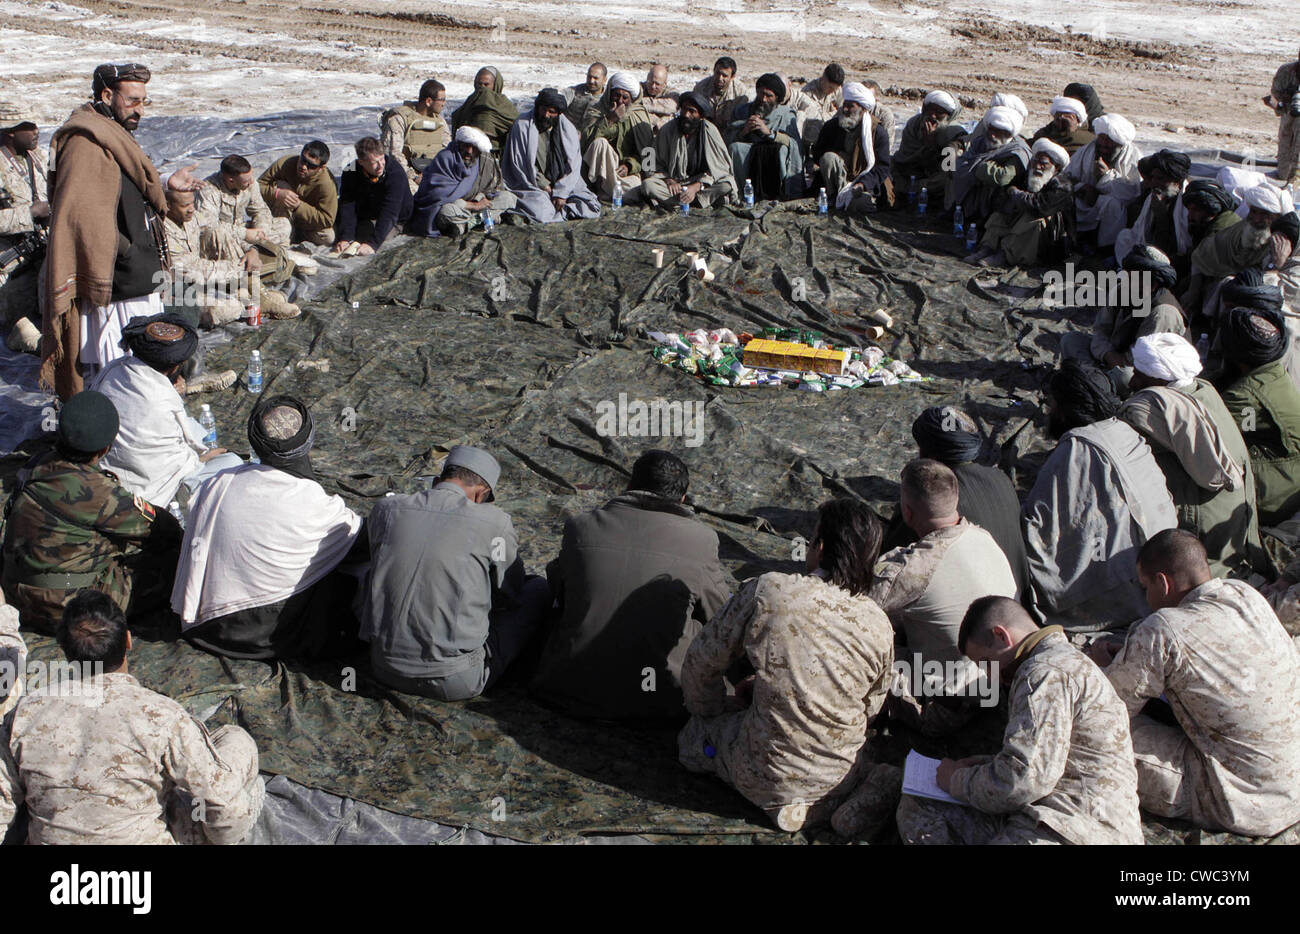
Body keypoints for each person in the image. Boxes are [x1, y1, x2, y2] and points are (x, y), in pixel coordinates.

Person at [677, 499, 897, 834]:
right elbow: (870, 708)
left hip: (762, 770)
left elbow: (700, 665)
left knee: (693, 741)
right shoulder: (879, 622)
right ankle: (838, 805)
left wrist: (712, 711)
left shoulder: (770, 589)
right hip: (837, 771)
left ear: (820, 547)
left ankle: (783, 800)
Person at [0, 590, 263, 844]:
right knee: (235, 739)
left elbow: (3, 807)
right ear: (128, 640)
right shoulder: (162, 715)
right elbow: (225, 809)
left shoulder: (25, 712)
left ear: (64, 649)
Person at [1093, 530, 1300, 837]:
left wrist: (1101, 664)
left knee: (1090, 734)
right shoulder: (1245, 595)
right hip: (1292, 785)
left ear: (1164, 583)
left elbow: (1109, 710)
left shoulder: (1163, 629)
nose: (1146, 596)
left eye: (1146, 586)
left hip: (1243, 801)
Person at [896, 595, 1142, 845]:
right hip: (1080, 820)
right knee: (920, 803)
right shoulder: (1061, 661)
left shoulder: (1043, 674)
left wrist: (956, 780)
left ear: (1002, 636)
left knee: (923, 808)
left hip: (1071, 828)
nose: (988, 674)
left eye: (986, 662)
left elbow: (1024, 779)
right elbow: (1052, 757)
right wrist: (985, 766)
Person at [531, 450, 734, 721]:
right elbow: (721, 615)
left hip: (566, 687)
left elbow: (559, 588)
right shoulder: (702, 539)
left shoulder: (581, 526)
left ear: (629, 486)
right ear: (683, 499)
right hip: (660, 702)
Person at [41, 63, 201, 400]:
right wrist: (124, 250)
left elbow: (122, 191)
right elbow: (76, 214)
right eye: (132, 101)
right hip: (114, 279)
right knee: (115, 362)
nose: (140, 110)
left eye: (144, 102)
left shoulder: (111, 133)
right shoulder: (84, 142)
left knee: (142, 360)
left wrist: (165, 186)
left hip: (137, 271)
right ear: (106, 95)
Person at [171, 396, 366, 660]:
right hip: (268, 637)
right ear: (308, 442)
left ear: (255, 442)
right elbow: (363, 541)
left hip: (205, 627)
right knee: (342, 572)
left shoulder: (217, 484)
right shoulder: (317, 505)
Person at [361, 445, 552, 701]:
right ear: (481, 493)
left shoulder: (386, 508)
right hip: (455, 679)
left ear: (439, 481)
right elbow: (509, 594)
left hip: (382, 666)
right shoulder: (495, 522)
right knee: (537, 589)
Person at [1, 390, 181, 634]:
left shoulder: (36, 465)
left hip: (17, 597)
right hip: (69, 610)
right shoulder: (99, 493)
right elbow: (163, 531)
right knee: (180, 562)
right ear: (105, 449)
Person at [1023, 360, 1177, 633]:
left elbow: (1037, 524)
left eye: (1052, 403)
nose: (1048, 410)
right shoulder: (1124, 430)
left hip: (1122, 594)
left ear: (1066, 409)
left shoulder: (1075, 449)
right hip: (1161, 567)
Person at [870, 460, 1016, 730]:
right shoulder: (983, 538)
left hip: (944, 705)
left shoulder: (911, 570)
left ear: (907, 512)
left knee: (852, 650)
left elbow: (848, 612)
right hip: (993, 688)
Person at [1120, 333, 1268, 579]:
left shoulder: (1153, 410)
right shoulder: (1204, 390)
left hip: (1206, 542)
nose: (1133, 382)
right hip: (1237, 531)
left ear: (1158, 378)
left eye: (1139, 374)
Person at [90, 313, 243, 508]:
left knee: (193, 427)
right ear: (174, 368)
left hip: (103, 472)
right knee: (230, 463)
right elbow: (175, 464)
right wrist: (202, 458)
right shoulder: (160, 400)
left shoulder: (113, 368)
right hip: (142, 494)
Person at [909, 407, 1031, 597]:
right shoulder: (1000, 478)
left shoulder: (936, 500)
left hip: (979, 613)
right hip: (1018, 599)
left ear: (929, 456)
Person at [162, 188, 299, 325]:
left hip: (211, 277)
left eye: (192, 203)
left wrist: (251, 249)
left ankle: (257, 296)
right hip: (180, 288)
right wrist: (240, 268)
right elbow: (193, 269)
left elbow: (223, 228)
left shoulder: (191, 217)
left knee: (219, 233)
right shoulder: (163, 231)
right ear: (168, 205)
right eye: (185, 205)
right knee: (230, 309)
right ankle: (249, 295)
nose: (191, 209)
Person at [1059, 244, 1186, 390]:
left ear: (1154, 284)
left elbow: (1145, 360)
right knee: (1071, 340)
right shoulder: (1121, 291)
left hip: (1141, 374)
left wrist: (1115, 362)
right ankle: (1093, 381)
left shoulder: (1162, 313)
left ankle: (1092, 383)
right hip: (1110, 358)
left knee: (1125, 376)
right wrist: (1107, 354)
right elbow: (1101, 329)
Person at [1218, 306, 1300, 526]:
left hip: (1278, 493)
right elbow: (1251, 427)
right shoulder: (1275, 371)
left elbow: (1221, 436)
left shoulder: (1245, 396)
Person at [501, 88, 601, 224]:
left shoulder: (568, 128)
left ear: (559, 113)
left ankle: (560, 212)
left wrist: (561, 192)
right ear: (537, 107)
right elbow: (523, 166)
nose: (546, 115)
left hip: (565, 183)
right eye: (543, 109)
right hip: (532, 183)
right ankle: (561, 212)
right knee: (543, 212)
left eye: (552, 112)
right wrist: (547, 187)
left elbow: (573, 165)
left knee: (591, 207)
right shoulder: (523, 125)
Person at [969, 137, 1073, 267]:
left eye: (1043, 163)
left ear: (1056, 167)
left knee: (1033, 219)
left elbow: (1040, 207)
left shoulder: (1062, 186)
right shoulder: (1028, 176)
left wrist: (1016, 194)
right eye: (1035, 161)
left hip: (1050, 239)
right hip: (1018, 221)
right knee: (1001, 212)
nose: (1038, 166)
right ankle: (988, 248)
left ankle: (1006, 255)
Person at [0, 104, 48, 354]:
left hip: (39, 257)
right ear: (9, 132)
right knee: (19, 325)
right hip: (11, 269)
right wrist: (29, 214)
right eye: (28, 127)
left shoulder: (37, 158)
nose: (36, 132)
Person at [410, 126, 515, 236]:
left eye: (474, 147)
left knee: (509, 197)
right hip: (453, 208)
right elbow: (438, 198)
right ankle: (488, 219)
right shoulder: (445, 159)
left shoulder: (482, 162)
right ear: (459, 144)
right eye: (466, 146)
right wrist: (474, 206)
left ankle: (468, 224)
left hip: (472, 206)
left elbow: (492, 190)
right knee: (446, 212)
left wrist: (480, 198)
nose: (469, 151)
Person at [639, 92, 736, 210]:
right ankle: (697, 202)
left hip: (700, 182)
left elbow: (721, 168)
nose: (686, 114)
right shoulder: (667, 129)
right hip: (674, 183)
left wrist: (697, 186)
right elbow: (650, 162)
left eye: (691, 111)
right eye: (684, 109)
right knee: (647, 185)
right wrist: (669, 180)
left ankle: (687, 201)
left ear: (701, 116)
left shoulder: (710, 131)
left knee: (726, 185)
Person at [1062, 113, 1142, 252]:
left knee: (1113, 206)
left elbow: (1134, 192)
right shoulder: (1087, 151)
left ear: (1119, 142)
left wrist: (1107, 176)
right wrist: (1083, 187)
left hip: (1118, 208)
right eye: (1102, 138)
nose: (1104, 144)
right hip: (1084, 200)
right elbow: (1067, 176)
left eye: (1109, 140)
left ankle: (1105, 249)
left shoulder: (1133, 157)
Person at [811, 83, 892, 215]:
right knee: (828, 158)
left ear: (863, 109)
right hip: (836, 181)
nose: (846, 110)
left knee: (858, 205)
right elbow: (817, 153)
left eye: (851, 106)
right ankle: (833, 196)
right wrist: (839, 156)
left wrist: (863, 185)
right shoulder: (832, 126)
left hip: (863, 182)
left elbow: (882, 167)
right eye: (845, 105)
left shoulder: (877, 132)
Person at [946, 105, 1030, 227]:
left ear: (1008, 133)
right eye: (991, 129)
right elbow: (960, 165)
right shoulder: (981, 141)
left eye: (998, 132)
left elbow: (1002, 178)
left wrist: (980, 167)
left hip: (999, 199)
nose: (992, 135)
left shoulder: (1018, 151)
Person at [725, 73, 803, 201]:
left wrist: (769, 133)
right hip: (750, 149)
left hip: (773, 153)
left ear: (777, 97)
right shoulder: (742, 111)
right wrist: (744, 131)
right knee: (735, 148)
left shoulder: (786, 114)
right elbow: (726, 139)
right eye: (761, 93)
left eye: (769, 96)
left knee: (781, 150)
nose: (764, 99)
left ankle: (781, 195)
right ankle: (740, 195)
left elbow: (793, 144)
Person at [579, 72, 654, 203]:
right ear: (610, 93)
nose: (619, 101)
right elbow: (586, 141)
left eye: (625, 97)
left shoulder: (639, 115)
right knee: (600, 143)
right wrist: (610, 119)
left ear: (631, 99)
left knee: (637, 188)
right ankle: (604, 190)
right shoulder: (597, 108)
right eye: (616, 95)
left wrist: (629, 166)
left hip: (624, 174)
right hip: (597, 172)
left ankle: (609, 193)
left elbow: (647, 153)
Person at [333, 137, 413, 255]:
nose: (380, 165)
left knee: (372, 240)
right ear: (361, 162)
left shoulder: (395, 172)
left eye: (382, 159)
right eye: (374, 162)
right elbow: (348, 204)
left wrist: (373, 244)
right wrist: (346, 237)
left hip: (396, 218)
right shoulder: (350, 171)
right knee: (344, 235)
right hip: (367, 214)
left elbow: (390, 211)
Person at [1112, 149, 1192, 267]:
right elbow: (1140, 231)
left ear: (1177, 181)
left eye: (1161, 179)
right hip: (1152, 247)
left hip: (1175, 257)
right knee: (1124, 237)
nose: (1154, 182)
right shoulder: (1153, 196)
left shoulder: (1188, 205)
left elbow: (1181, 243)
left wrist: (1161, 215)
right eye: (1153, 177)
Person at [1191, 182, 1287, 280]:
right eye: (1253, 211)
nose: (1256, 219)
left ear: (1276, 217)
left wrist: (1278, 264)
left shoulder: (1284, 244)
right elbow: (1204, 253)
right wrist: (1194, 289)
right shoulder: (1241, 229)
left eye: (1264, 214)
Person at [889, 90, 965, 205]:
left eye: (939, 113)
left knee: (946, 180)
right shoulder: (914, 125)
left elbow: (948, 168)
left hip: (933, 178)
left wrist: (931, 145)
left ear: (949, 116)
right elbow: (904, 157)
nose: (932, 116)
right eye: (930, 110)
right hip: (910, 171)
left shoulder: (954, 134)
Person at [257, 141, 339, 246]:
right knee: (282, 185)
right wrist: (277, 193)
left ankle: (294, 234)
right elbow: (257, 186)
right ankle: (284, 233)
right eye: (303, 160)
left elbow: (327, 219)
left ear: (321, 167)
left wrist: (298, 206)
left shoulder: (327, 184)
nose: (304, 167)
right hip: (281, 213)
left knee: (328, 237)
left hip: (306, 223)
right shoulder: (285, 163)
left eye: (311, 166)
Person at [381, 80, 451, 193]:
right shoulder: (400, 119)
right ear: (428, 101)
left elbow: (448, 150)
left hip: (434, 174)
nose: (444, 104)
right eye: (441, 100)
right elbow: (393, 154)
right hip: (406, 175)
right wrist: (413, 177)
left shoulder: (439, 122)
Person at [451, 66, 518, 157]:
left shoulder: (505, 106)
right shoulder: (469, 103)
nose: (482, 88)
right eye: (479, 84)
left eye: (486, 85)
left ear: (496, 85)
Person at [1265, 46, 1300, 187]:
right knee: (1283, 169)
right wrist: (1285, 102)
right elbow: (1274, 94)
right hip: (1287, 112)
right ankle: (1286, 173)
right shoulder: (1286, 71)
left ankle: (1296, 175)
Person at [797, 63, 846, 149]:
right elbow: (818, 118)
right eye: (830, 88)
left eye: (835, 89)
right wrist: (834, 112)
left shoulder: (836, 89)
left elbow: (844, 110)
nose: (832, 91)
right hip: (812, 136)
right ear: (824, 78)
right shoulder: (808, 93)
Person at [692, 56, 749, 129]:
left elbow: (741, 121)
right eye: (717, 73)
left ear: (732, 77)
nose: (720, 78)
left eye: (724, 76)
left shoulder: (741, 93)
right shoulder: (701, 88)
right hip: (705, 129)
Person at [1030, 95, 1095, 156]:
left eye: (1068, 117)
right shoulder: (1044, 134)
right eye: (1058, 116)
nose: (1061, 119)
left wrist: (1070, 132)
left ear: (1078, 120)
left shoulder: (1088, 141)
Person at [563, 63, 607, 130]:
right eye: (589, 77)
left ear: (604, 80)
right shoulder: (575, 91)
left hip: (591, 136)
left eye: (595, 78)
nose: (591, 81)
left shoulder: (607, 98)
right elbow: (561, 98)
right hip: (568, 132)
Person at [640, 64, 680, 132]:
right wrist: (656, 120)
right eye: (650, 82)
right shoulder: (638, 88)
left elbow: (672, 107)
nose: (653, 86)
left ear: (665, 84)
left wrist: (642, 104)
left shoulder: (672, 94)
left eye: (657, 84)